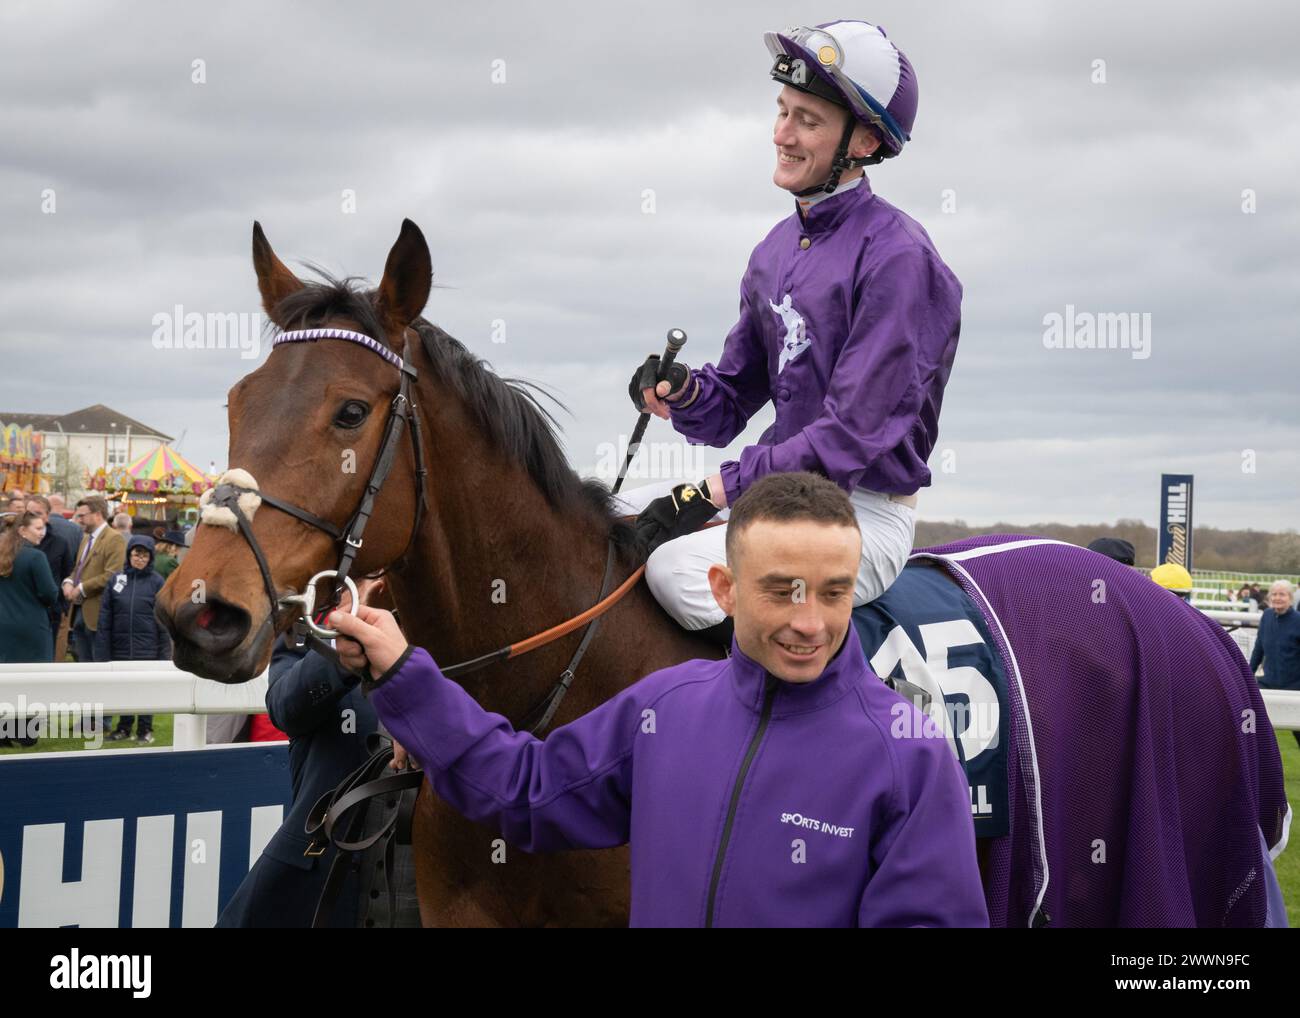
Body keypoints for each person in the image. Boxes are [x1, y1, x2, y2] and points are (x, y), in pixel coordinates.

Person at [330, 472, 988, 927]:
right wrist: (404, 678)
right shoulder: (663, 711)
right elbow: (522, 792)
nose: (809, 622)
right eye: (781, 590)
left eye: (834, 592)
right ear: (724, 590)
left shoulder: (910, 755)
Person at [621, 20, 961, 646]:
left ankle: (766, 734)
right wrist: (681, 390)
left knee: (676, 571)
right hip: (775, 495)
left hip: (859, 513)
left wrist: (717, 488)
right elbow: (729, 403)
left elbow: (847, 437)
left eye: (808, 120)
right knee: (604, 518)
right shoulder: (772, 251)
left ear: (862, 140)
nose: (782, 134)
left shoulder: (900, 258)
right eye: (782, 111)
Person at [217, 579, 419, 928]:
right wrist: (343, 649)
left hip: (427, 886)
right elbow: (284, 708)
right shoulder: (311, 627)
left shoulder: (452, 633)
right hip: (324, 881)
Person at [95, 536, 172, 743]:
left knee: (146, 692)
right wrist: (103, 651)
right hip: (119, 649)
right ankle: (123, 728)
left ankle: (145, 730)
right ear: (129, 555)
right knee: (123, 691)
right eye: (136, 554)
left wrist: (164, 654)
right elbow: (105, 617)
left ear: (150, 557)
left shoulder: (157, 582)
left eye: (144, 555)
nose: (140, 558)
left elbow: (163, 622)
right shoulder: (116, 580)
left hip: (148, 649)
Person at [0, 512, 60, 747]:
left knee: (5, 679)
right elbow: (49, 593)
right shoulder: (36, 557)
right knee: (32, 679)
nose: (42, 532)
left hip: (3, 626)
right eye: (38, 528)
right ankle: (25, 731)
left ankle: (4, 732)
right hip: (31, 627)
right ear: (22, 530)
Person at [63, 496, 127, 667]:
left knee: (98, 665)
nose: (78, 520)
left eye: (82, 516)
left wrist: (82, 588)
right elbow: (78, 569)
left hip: (98, 614)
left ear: (97, 514)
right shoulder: (86, 538)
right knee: (83, 662)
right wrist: (68, 582)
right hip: (79, 612)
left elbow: (113, 575)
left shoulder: (114, 538)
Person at [1251, 581, 1300, 749]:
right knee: (1250, 725)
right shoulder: (1266, 616)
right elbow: (1259, 647)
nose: (1277, 598)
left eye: (1282, 594)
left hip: (1294, 686)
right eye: (1274, 594)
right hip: (1268, 682)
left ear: (1290, 598)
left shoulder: (1298, 621)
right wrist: (1247, 674)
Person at [24, 496, 74, 659]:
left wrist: (62, 605)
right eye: (30, 512)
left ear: (47, 516)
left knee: (46, 656)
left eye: (38, 513)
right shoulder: (15, 542)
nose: (33, 516)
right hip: (22, 607)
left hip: (50, 610)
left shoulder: (60, 542)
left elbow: (68, 572)